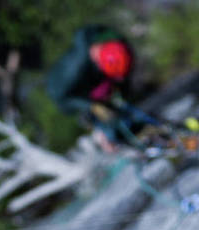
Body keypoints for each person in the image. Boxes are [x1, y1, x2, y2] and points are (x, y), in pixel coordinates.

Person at [46, 24, 153, 153]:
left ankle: (140, 128)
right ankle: (109, 138)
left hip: (93, 75)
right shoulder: (74, 72)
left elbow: (86, 31)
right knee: (105, 116)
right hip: (68, 94)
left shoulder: (113, 45)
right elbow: (62, 100)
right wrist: (89, 105)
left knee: (121, 101)